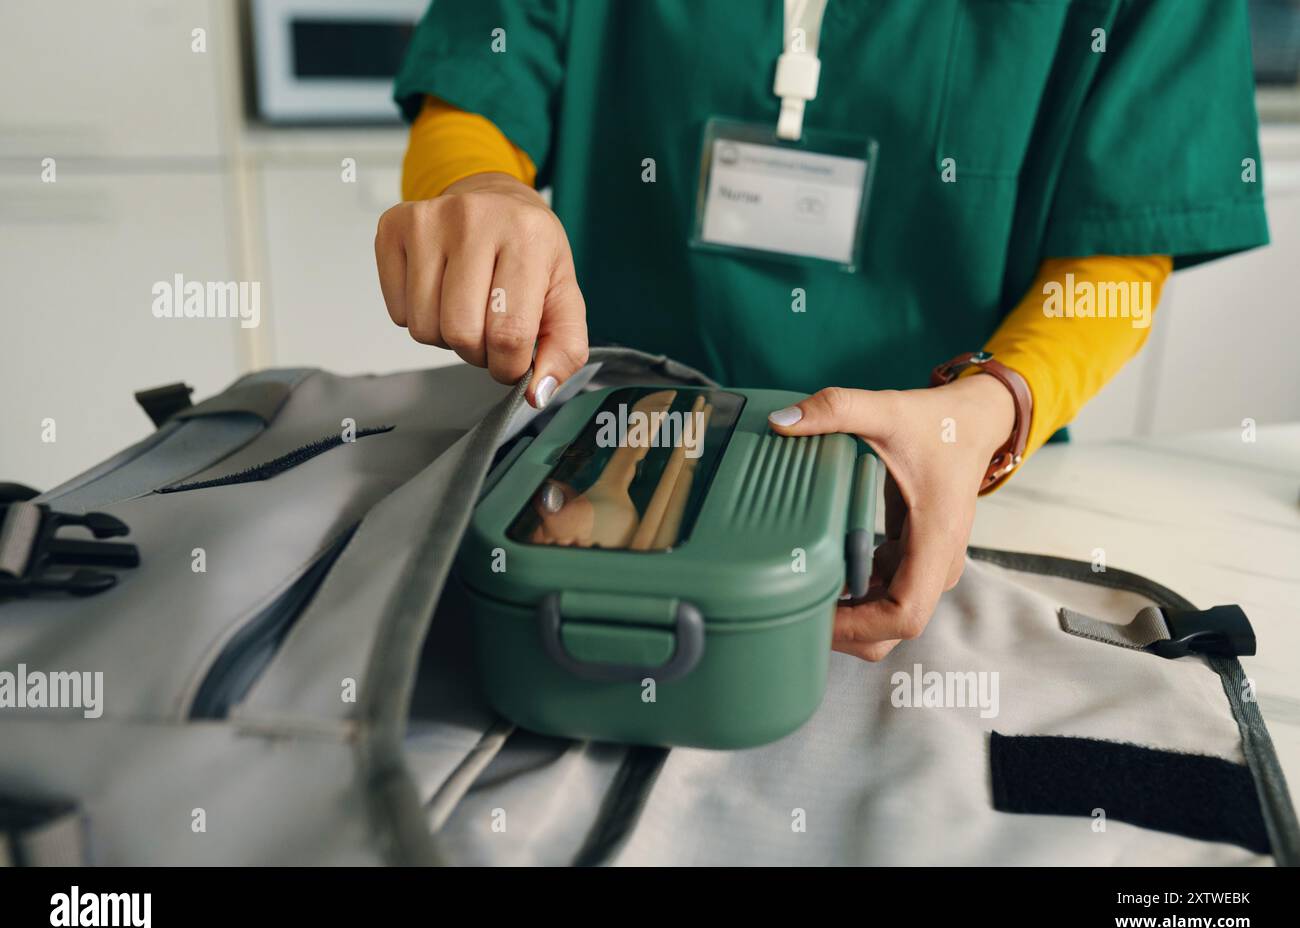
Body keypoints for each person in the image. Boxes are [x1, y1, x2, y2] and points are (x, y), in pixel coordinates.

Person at [375, 0, 1268, 660]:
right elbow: (479, 85)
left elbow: (1119, 252)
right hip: (604, 481)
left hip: (944, 502)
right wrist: (477, 189)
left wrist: (994, 407)